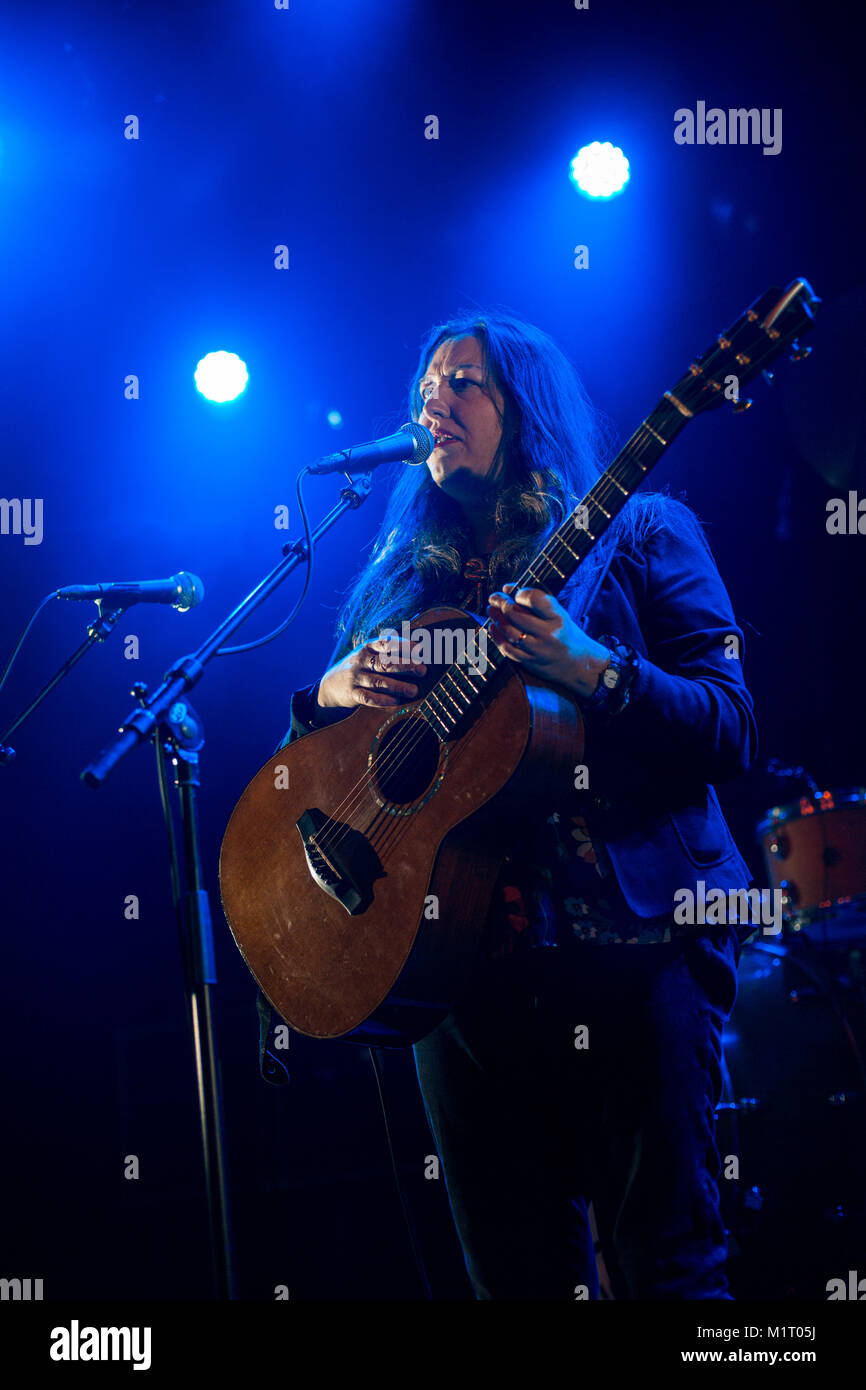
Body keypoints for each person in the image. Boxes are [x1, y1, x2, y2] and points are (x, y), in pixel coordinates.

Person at [274, 311, 758, 1300]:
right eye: (424, 387)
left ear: (521, 407)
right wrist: (330, 689)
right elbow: (309, 781)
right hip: (461, 974)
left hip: (633, 949)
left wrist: (594, 670)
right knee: (515, 1283)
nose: (432, 404)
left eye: (463, 384)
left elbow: (730, 728)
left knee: (666, 1264)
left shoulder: (639, 532)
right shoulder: (396, 580)